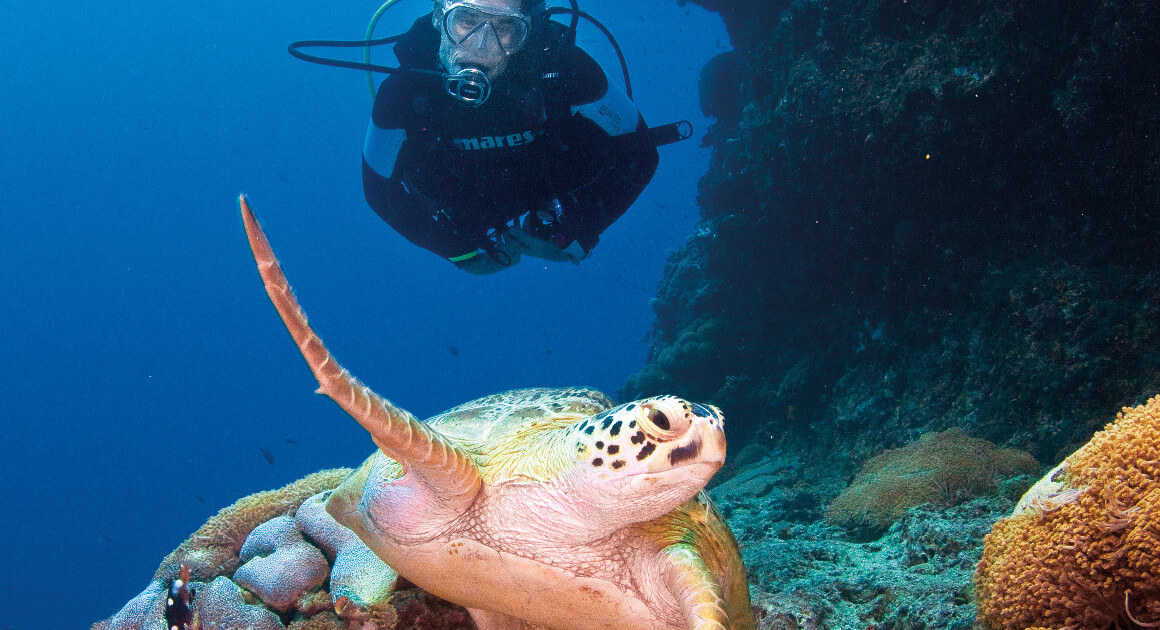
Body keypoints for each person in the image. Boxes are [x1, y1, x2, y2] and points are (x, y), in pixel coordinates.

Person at [362, 0, 660, 274]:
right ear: (440, 17)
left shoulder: (565, 69)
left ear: (527, 32)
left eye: (504, 28)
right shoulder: (402, 93)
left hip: (548, 188)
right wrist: (461, 255)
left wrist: (574, 235)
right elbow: (379, 189)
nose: (480, 46)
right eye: (466, 19)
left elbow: (641, 154)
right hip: (466, 207)